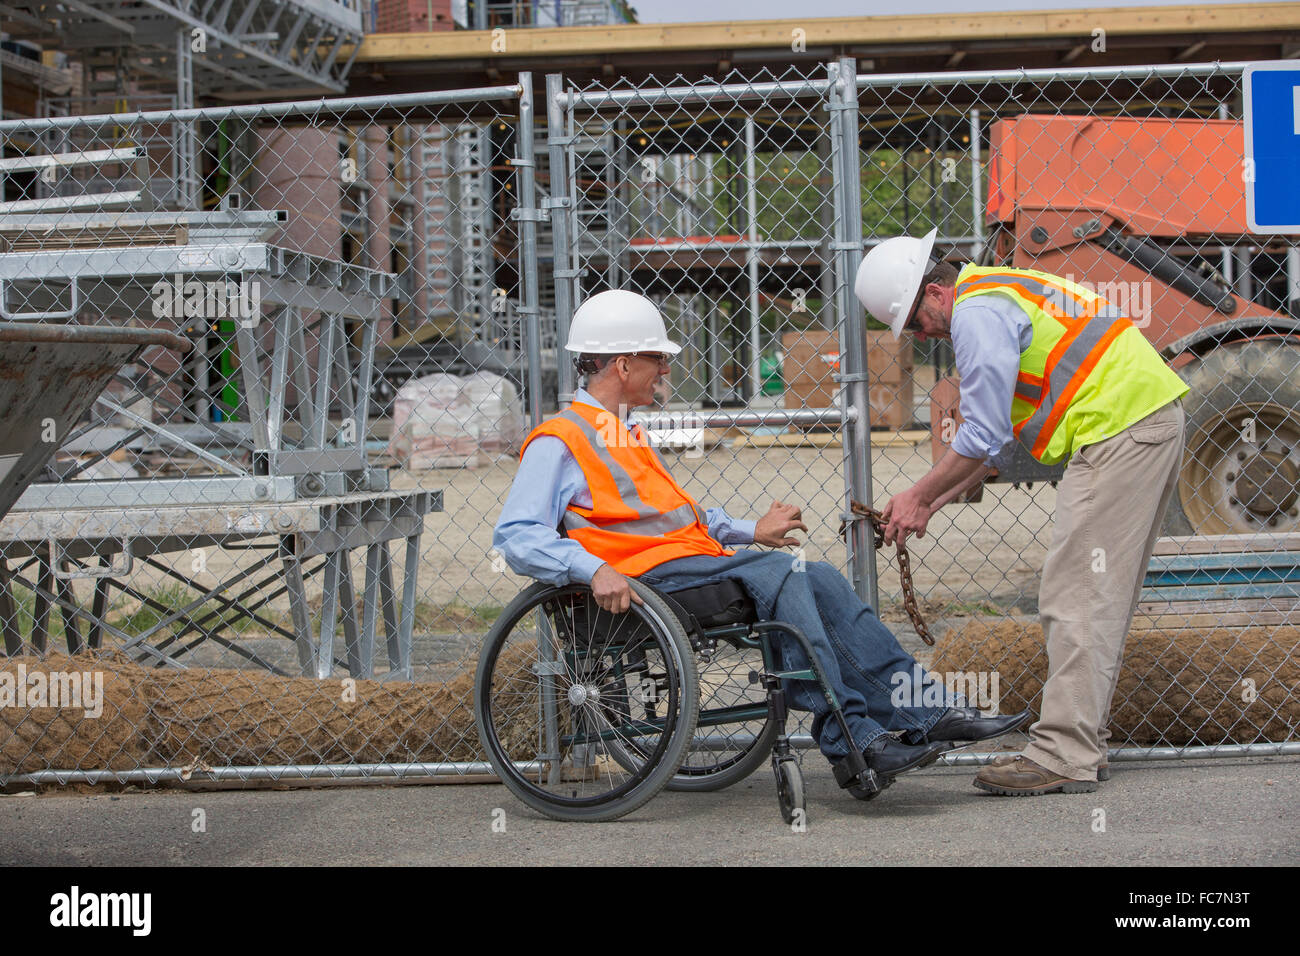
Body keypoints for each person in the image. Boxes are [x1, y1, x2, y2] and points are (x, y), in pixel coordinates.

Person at [493, 288, 1028, 794]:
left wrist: (753, 530)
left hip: (688, 567)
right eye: (659, 358)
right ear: (623, 364)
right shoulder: (561, 439)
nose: (667, 370)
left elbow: (680, 517)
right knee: (780, 572)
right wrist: (591, 570)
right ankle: (852, 741)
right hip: (643, 582)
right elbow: (516, 535)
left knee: (814, 573)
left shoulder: (624, 431)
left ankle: (925, 710)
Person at [855, 229, 1189, 795]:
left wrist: (915, 495)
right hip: (1140, 420)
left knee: (1076, 594)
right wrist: (930, 501)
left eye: (914, 322)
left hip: (1119, 429)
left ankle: (1063, 754)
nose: (919, 335)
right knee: (1095, 593)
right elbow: (997, 442)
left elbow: (983, 435)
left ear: (936, 293)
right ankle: (1081, 743)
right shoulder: (1001, 290)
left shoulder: (977, 315)